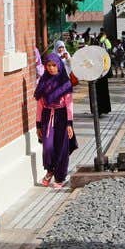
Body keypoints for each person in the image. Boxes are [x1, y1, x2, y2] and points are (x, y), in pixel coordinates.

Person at [34, 53, 77, 187]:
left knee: (61, 147)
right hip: (47, 116)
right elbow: (40, 105)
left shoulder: (65, 82)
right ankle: (50, 170)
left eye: (54, 65)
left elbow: (69, 105)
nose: (51, 68)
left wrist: (69, 124)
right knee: (47, 147)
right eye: (48, 65)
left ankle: (59, 178)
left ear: (59, 65)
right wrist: (38, 125)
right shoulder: (43, 82)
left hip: (62, 116)